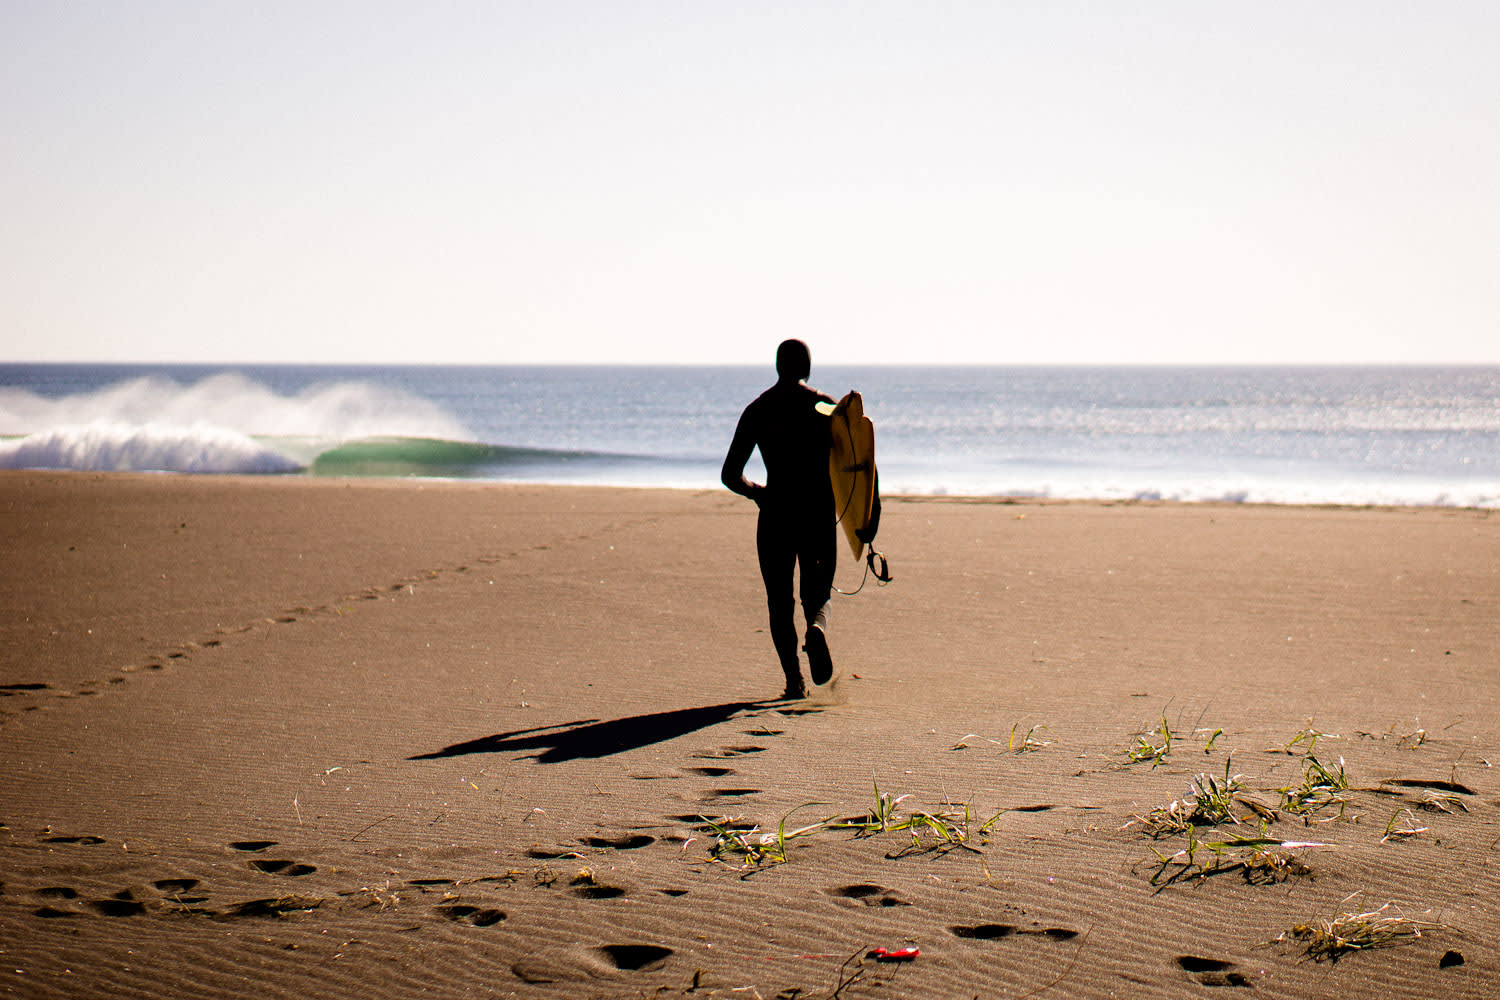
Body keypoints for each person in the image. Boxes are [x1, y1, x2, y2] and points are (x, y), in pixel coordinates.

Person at [722, 339, 837, 699]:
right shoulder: (826, 407)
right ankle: (816, 628)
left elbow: (730, 474)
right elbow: (859, 465)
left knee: (779, 601)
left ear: (777, 366)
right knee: (816, 592)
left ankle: (794, 681)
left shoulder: (758, 409)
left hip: (776, 514)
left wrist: (758, 492)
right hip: (817, 512)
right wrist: (866, 516)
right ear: (807, 367)